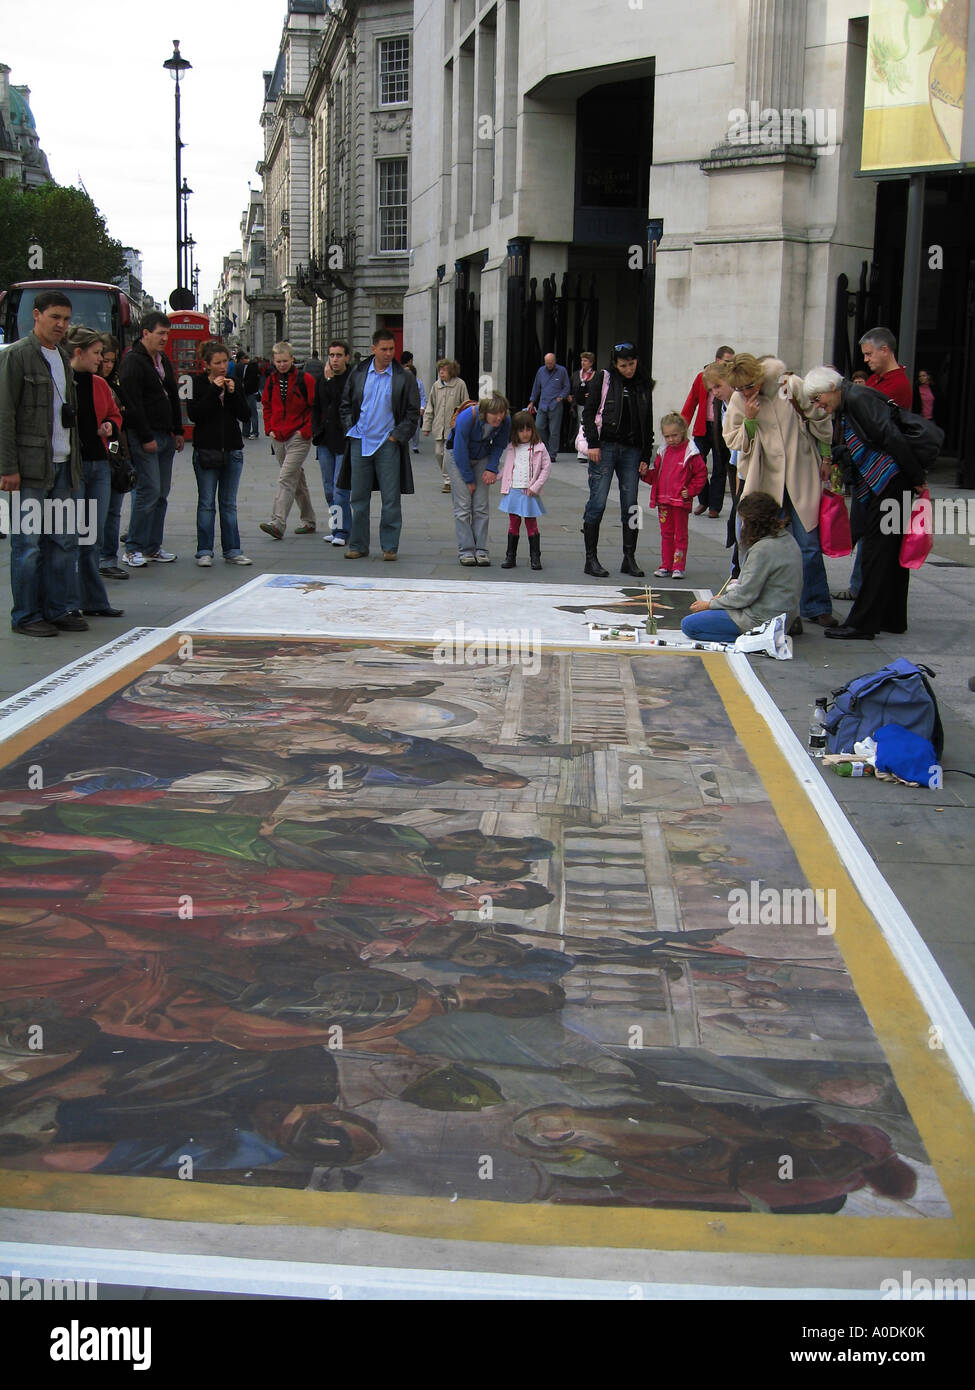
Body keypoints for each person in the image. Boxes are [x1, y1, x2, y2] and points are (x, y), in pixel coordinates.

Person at [803, 366, 925, 640]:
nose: (817, 404)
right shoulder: (853, 399)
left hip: (890, 482)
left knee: (875, 554)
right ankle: (892, 618)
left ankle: (863, 623)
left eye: (818, 398)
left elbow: (891, 437)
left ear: (831, 388)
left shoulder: (857, 399)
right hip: (892, 481)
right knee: (891, 553)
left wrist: (917, 477)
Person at [722, 353, 837, 628]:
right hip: (763, 477)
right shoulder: (739, 400)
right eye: (739, 388)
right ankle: (770, 608)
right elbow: (733, 440)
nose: (746, 392)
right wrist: (749, 420)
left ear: (759, 376)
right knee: (759, 542)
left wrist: (826, 456)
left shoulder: (789, 385)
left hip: (799, 470)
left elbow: (820, 416)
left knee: (808, 542)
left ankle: (816, 605)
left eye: (749, 385)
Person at [0, 289, 87, 637]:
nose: (61, 325)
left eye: (66, 319)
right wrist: (8, 467)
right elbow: (4, 414)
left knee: (63, 542)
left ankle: (57, 608)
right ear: (36, 315)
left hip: (63, 464)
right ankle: (26, 615)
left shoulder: (63, 357)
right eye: (55, 317)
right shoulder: (17, 355)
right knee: (28, 545)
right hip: (31, 467)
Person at [338, 328, 421, 561]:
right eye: (383, 349)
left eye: (391, 349)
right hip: (360, 440)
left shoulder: (404, 377)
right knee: (358, 497)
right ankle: (358, 545)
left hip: (388, 442)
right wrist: (350, 429)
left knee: (391, 498)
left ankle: (390, 547)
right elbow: (345, 404)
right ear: (373, 349)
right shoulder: (359, 372)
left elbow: (412, 412)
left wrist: (397, 436)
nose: (388, 353)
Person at [681, 492, 802, 643]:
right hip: (784, 614)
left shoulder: (762, 550)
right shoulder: (788, 539)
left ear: (753, 523)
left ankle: (757, 638)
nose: (742, 526)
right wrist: (724, 600)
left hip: (760, 618)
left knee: (689, 625)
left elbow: (744, 595)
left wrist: (710, 605)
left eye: (743, 522)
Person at [580, 340, 654, 578]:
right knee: (598, 501)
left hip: (632, 449)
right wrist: (593, 443)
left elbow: (648, 422)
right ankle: (590, 558)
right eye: (623, 365)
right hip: (605, 446)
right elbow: (588, 412)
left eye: (631, 364)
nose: (628, 369)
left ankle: (629, 557)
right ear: (615, 364)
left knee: (632, 504)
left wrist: (646, 455)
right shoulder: (604, 379)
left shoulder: (643, 383)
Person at [117, 311, 184, 568]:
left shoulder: (162, 359)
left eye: (167, 334)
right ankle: (133, 547)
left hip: (165, 434)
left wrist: (178, 430)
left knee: (162, 494)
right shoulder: (133, 362)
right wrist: (145, 437)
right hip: (145, 436)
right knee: (149, 491)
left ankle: (153, 547)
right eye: (160, 333)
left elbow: (173, 395)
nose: (165, 338)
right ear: (145, 333)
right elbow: (132, 403)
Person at [66, 327, 123, 619]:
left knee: (93, 536)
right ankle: (70, 600)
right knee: (72, 537)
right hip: (72, 465)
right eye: (97, 353)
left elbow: (115, 414)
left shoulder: (100, 384)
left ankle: (94, 600)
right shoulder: (62, 380)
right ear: (79, 352)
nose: (101, 359)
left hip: (99, 463)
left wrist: (111, 426)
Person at [186, 341, 253, 568]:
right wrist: (214, 391)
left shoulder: (234, 383)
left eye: (225, 361)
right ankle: (204, 550)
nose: (223, 367)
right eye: (217, 363)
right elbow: (195, 414)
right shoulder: (196, 383)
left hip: (233, 450)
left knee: (228, 504)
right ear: (207, 365)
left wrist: (233, 394)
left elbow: (245, 415)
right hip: (206, 450)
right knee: (206, 503)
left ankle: (232, 550)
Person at [259, 341, 317, 540]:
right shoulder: (272, 380)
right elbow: (266, 405)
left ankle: (277, 522)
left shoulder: (305, 379)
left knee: (286, 477)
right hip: (278, 437)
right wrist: (269, 429)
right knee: (296, 479)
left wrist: (305, 431)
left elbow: (314, 407)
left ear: (292, 359)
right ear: (273, 361)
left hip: (298, 437)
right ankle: (309, 520)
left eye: (285, 361)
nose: (282, 365)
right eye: (278, 361)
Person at [641, 412, 706, 579]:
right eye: (667, 436)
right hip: (663, 499)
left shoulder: (691, 453)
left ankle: (678, 566)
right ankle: (666, 564)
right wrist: (645, 474)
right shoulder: (663, 451)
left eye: (674, 435)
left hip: (680, 501)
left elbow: (701, 474)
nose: (671, 439)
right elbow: (657, 475)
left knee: (680, 534)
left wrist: (691, 490)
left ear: (683, 431)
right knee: (666, 533)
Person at [448, 393, 511, 566]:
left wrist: (492, 468)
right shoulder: (467, 418)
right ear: (484, 412)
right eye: (495, 413)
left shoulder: (505, 421)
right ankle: (466, 550)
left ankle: (481, 549)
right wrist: (469, 480)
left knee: (481, 505)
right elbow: (459, 449)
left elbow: (499, 445)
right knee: (463, 506)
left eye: (502, 412)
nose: (499, 417)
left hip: (482, 456)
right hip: (458, 457)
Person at [681, 345, 734, 516]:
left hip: (722, 428)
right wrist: (682, 426)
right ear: (717, 360)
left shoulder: (730, 380)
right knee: (696, 464)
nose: (729, 365)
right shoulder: (702, 377)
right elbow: (692, 401)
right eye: (726, 361)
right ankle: (703, 500)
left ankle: (714, 507)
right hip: (703, 428)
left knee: (720, 467)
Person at [497, 410, 551, 570]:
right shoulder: (511, 447)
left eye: (528, 429)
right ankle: (510, 556)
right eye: (521, 430)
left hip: (529, 492)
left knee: (531, 523)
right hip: (513, 490)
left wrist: (536, 486)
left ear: (533, 429)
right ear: (515, 432)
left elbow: (546, 468)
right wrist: (495, 476)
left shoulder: (539, 447)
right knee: (513, 523)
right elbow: (507, 468)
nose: (525, 433)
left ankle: (535, 557)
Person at [95, 336, 130, 583]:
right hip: (96, 455)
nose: (107, 365)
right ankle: (94, 558)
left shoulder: (114, 384)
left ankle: (108, 558)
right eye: (104, 360)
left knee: (114, 510)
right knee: (98, 512)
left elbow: (122, 414)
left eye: (111, 361)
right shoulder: (91, 385)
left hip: (116, 452)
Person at [311, 339, 351, 547]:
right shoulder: (323, 378)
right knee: (328, 489)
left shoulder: (350, 379)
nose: (334, 360)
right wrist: (316, 430)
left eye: (339, 355)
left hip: (343, 440)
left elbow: (340, 402)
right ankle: (336, 527)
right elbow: (317, 406)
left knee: (339, 488)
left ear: (347, 357)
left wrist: (329, 381)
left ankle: (343, 531)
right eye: (332, 355)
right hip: (325, 439)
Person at [422, 358, 469, 492]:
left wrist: (464, 424)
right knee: (438, 453)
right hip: (439, 426)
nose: (441, 373)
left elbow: (466, 405)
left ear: (451, 371)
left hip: (454, 427)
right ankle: (449, 476)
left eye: (444, 370)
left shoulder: (460, 384)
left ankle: (448, 480)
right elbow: (430, 406)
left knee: (448, 454)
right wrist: (426, 426)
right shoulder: (436, 386)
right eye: (440, 370)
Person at [528, 352, 571, 463]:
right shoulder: (541, 371)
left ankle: (552, 454)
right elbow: (536, 387)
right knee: (538, 427)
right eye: (547, 363)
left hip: (555, 404)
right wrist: (532, 401)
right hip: (543, 403)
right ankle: (545, 449)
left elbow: (567, 386)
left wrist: (561, 397)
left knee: (554, 431)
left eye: (551, 363)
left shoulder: (562, 371)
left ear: (555, 361)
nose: (549, 365)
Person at [859, 327, 912, 409]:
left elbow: (867, 413)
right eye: (864, 355)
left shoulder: (899, 385)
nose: (865, 359)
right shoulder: (874, 378)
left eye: (869, 354)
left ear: (884, 350)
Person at [237, 352, 262, 438]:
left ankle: (255, 432)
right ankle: (245, 432)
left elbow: (253, 380)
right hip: (246, 392)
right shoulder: (246, 366)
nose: (240, 363)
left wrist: (245, 386)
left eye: (241, 361)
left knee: (252, 413)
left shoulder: (252, 366)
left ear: (243, 359)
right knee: (246, 412)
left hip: (251, 392)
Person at [403, 360, 426, 452]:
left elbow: (423, 396)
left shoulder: (419, 383)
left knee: (415, 429)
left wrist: (422, 407)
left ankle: (415, 446)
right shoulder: (401, 382)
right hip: (404, 408)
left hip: (415, 408)